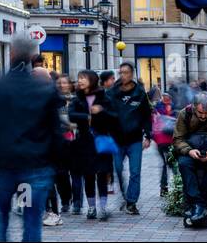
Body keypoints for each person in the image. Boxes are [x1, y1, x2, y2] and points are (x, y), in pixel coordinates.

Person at [0, 34, 63, 242]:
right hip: (35, 166)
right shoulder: (44, 89)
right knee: (31, 221)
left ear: (11, 53)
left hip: (5, 166)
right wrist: (55, 163)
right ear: (31, 56)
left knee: (1, 218)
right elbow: (55, 131)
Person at [106, 62, 152, 214]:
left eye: (126, 72)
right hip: (116, 139)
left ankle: (131, 202)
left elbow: (146, 115)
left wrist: (148, 135)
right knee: (118, 169)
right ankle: (126, 195)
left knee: (135, 172)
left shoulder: (139, 92)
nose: (123, 75)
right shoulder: (112, 92)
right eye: (121, 72)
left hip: (134, 139)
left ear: (132, 73)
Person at [68, 69, 115, 219]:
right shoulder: (77, 98)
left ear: (92, 80)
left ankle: (103, 207)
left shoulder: (104, 97)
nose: (80, 81)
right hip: (84, 142)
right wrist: (87, 115)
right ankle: (91, 207)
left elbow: (114, 116)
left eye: (83, 78)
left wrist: (100, 110)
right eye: (79, 78)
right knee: (88, 174)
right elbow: (71, 115)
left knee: (101, 174)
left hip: (101, 141)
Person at [174, 91, 207, 224]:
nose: (203, 116)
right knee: (184, 164)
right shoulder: (184, 114)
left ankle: (198, 206)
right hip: (191, 151)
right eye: (200, 113)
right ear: (194, 106)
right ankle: (200, 204)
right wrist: (189, 151)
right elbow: (178, 139)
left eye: (206, 114)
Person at [43, 74, 76, 226]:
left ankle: (66, 200)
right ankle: (55, 205)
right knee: (55, 173)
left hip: (66, 140)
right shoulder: (52, 99)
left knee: (63, 173)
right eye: (59, 83)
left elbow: (67, 120)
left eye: (64, 83)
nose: (62, 85)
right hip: (53, 139)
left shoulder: (70, 100)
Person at [152, 90, 177, 196]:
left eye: (166, 97)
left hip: (164, 140)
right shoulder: (160, 107)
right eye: (164, 97)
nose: (165, 98)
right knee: (170, 163)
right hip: (165, 140)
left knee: (167, 164)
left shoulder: (158, 108)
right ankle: (174, 186)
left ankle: (165, 188)